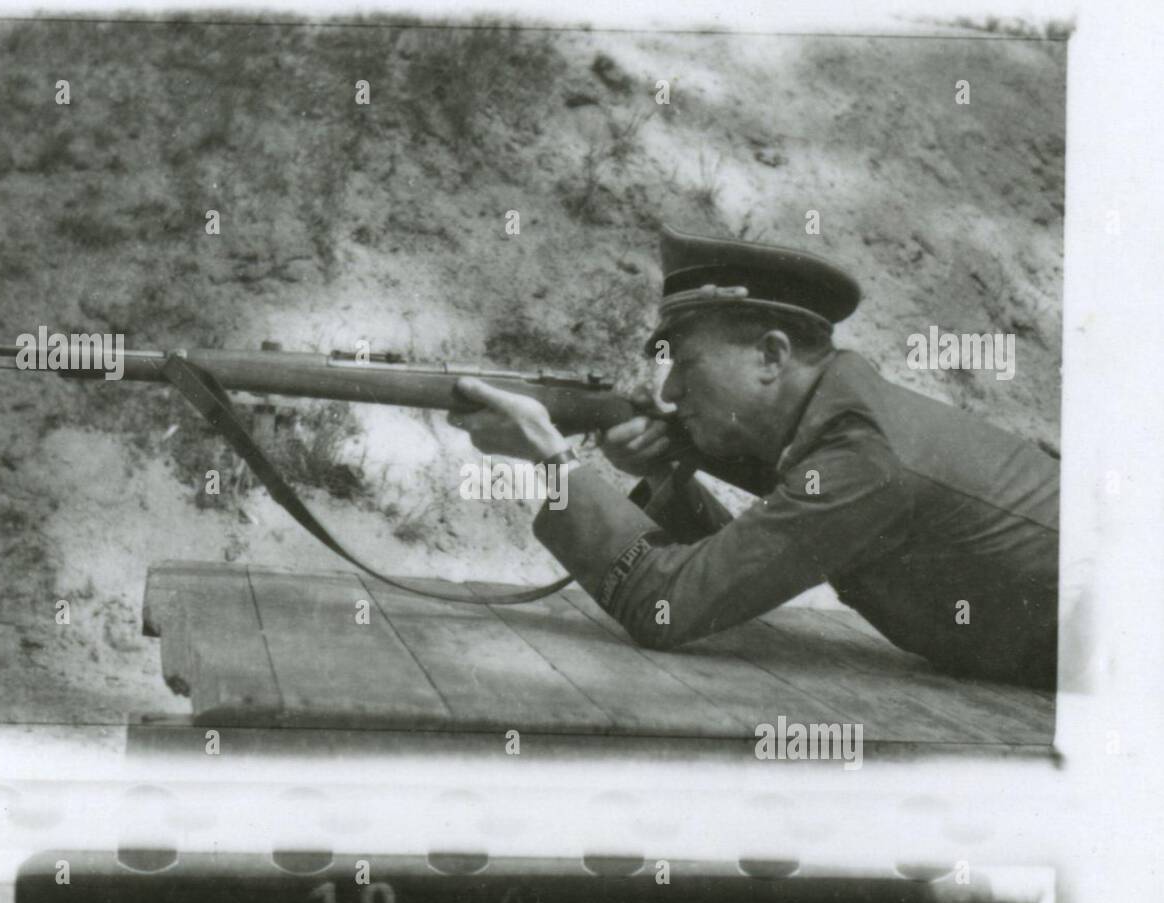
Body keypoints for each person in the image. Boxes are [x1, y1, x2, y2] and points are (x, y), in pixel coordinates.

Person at [448, 225, 1059, 689]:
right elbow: (743, 567)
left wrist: (552, 462)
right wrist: (664, 472)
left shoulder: (864, 457)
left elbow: (666, 608)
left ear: (771, 355)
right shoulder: (843, 423)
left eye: (686, 366)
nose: (671, 393)